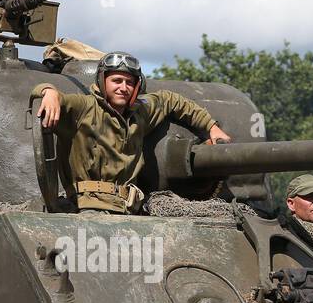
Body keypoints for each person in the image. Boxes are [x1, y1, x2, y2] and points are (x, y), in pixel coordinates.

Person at [32, 51, 231, 213]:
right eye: (117, 81)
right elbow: (50, 95)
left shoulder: (140, 111)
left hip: (128, 209)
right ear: (102, 81)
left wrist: (211, 126)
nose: (123, 88)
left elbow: (171, 101)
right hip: (88, 208)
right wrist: (48, 91)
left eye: (129, 83)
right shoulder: (84, 107)